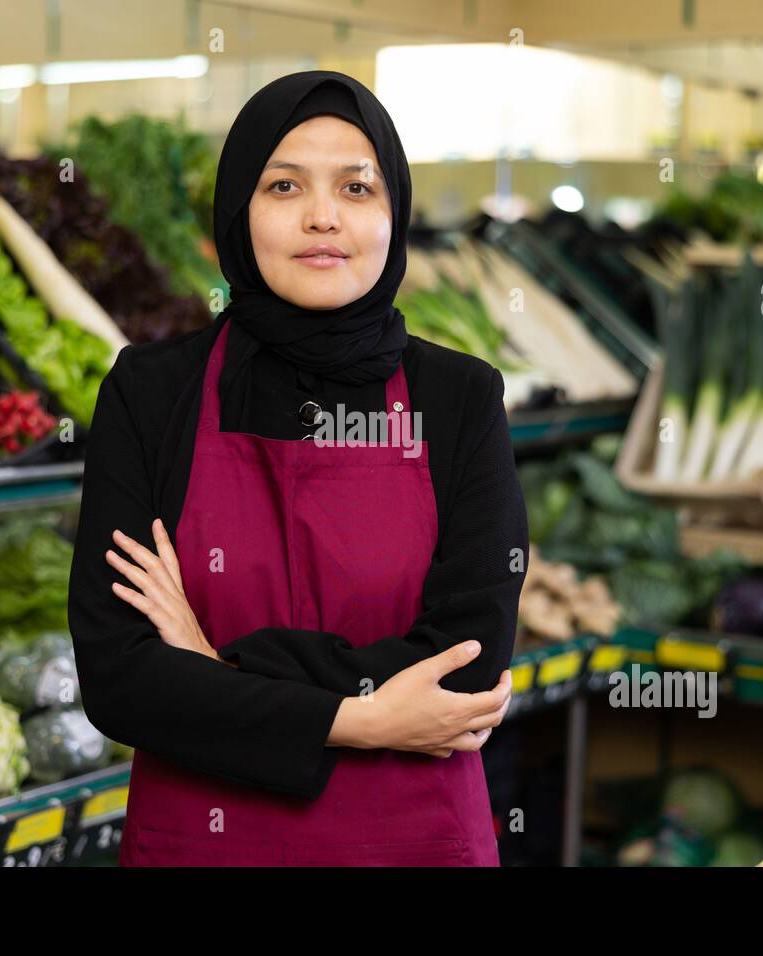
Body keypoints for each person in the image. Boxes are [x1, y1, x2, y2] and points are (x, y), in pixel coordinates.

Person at [67, 70, 529, 867]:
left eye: (357, 187)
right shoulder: (152, 392)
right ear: (237, 215)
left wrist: (219, 664)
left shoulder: (459, 399)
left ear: (395, 215)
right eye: (284, 185)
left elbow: (467, 664)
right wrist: (366, 719)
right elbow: (119, 678)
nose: (323, 216)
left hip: (412, 844)